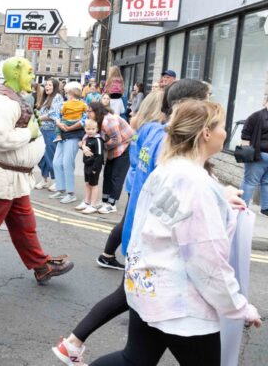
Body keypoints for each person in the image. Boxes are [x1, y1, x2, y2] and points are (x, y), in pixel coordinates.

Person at [51, 79, 213, 365]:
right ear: (194, 106)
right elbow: (171, 198)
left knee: (135, 341)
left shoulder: (150, 131)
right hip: (157, 245)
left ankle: (73, 342)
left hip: (139, 227)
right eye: (208, 99)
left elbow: (137, 167)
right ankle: (73, 342)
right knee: (132, 320)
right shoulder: (170, 144)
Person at [90, 100, 261, 366]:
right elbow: (207, 260)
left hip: (152, 290)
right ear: (206, 133)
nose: (225, 133)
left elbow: (170, 220)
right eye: (222, 126)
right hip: (183, 308)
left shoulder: (169, 169)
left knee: (134, 360)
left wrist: (219, 201)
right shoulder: (196, 184)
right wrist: (239, 307)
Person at [0, 57, 72, 289]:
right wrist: (30, 133)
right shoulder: (1, 101)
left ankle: (41, 265)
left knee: (24, 223)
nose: (33, 77)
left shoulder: (11, 98)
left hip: (14, 176)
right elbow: (2, 140)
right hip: (1, 176)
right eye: (29, 72)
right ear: (14, 73)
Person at [98, 90, 166, 271]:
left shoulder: (140, 125)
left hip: (134, 179)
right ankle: (108, 256)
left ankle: (107, 255)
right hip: (140, 182)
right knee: (129, 221)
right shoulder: (154, 131)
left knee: (128, 220)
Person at [89, 101, 134, 214]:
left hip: (125, 146)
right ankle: (105, 201)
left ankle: (112, 204)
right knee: (108, 174)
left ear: (97, 112)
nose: (88, 114)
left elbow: (116, 140)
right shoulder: (99, 120)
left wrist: (102, 146)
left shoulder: (108, 121)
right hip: (114, 147)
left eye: (90, 111)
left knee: (116, 176)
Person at [51, 82, 87, 204]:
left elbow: (84, 120)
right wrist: (58, 123)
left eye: (67, 93)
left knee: (67, 163)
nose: (66, 95)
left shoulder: (83, 105)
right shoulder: (64, 104)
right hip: (62, 135)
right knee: (56, 162)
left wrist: (69, 128)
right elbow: (56, 114)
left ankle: (71, 194)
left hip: (74, 136)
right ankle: (61, 189)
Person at [240, 97, 268, 215]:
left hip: (262, 155)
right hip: (258, 155)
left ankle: (265, 208)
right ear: (265, 102)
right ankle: (242, 206)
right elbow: (245, 135)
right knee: (250, 182)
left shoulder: (255, 116)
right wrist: (247, 153)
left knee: (265, 182)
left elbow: (245, 133)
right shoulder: (256, 116)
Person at [35, 79, 63, 191]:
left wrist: (38, 118)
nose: (47, 87)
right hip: (41, 131)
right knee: (42, 157)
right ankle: (44, 179)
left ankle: (57, 181)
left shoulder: (57, 97)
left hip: (51, 131)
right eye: (46, 85)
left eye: (50, 85)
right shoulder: (46, 98)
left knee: (51, 156)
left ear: (55, 87)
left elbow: (53, 115)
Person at [75, 119, 104, 214]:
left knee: (94, 185)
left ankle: (93, 205)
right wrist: (82, 146)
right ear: (85, 129)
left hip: (94, 166)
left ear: (97, 129)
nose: (90, 131)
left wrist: (95, 168)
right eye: (88, 129)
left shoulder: (98, 140)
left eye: (93, 129)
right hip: (87, 165)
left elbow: (99, 156)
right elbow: (84, 148)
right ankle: (86, 202)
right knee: (87, 183)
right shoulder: (87, 138)